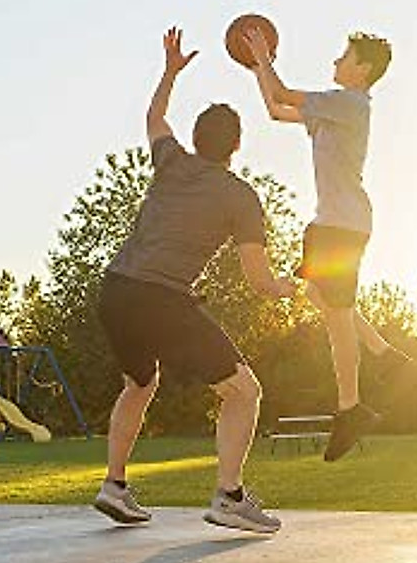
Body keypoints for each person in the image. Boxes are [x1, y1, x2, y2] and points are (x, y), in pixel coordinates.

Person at [94, 27, 297, 535]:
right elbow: (258, 280)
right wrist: (287, 287)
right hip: (160, 297)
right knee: (244, 391)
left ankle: (114, 486)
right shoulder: (239, 196)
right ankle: (229, 496)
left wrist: (170, 71)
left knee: (140, 383)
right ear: (237, 145)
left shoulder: (171, 161)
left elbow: (154, 117)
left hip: (115, 289)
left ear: (195, 138)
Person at [243, 25, 408, 462]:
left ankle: (350, 408)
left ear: (363, 69)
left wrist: (264, 58)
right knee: (318, 293)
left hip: (343, 225)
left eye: (344, 56)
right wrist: (256, 67)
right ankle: (383, 353)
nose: (336, 61)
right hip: (331, 224)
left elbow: (283, 91)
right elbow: (276, 109)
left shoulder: (349, 103)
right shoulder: (333, 109)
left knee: (336, 317)